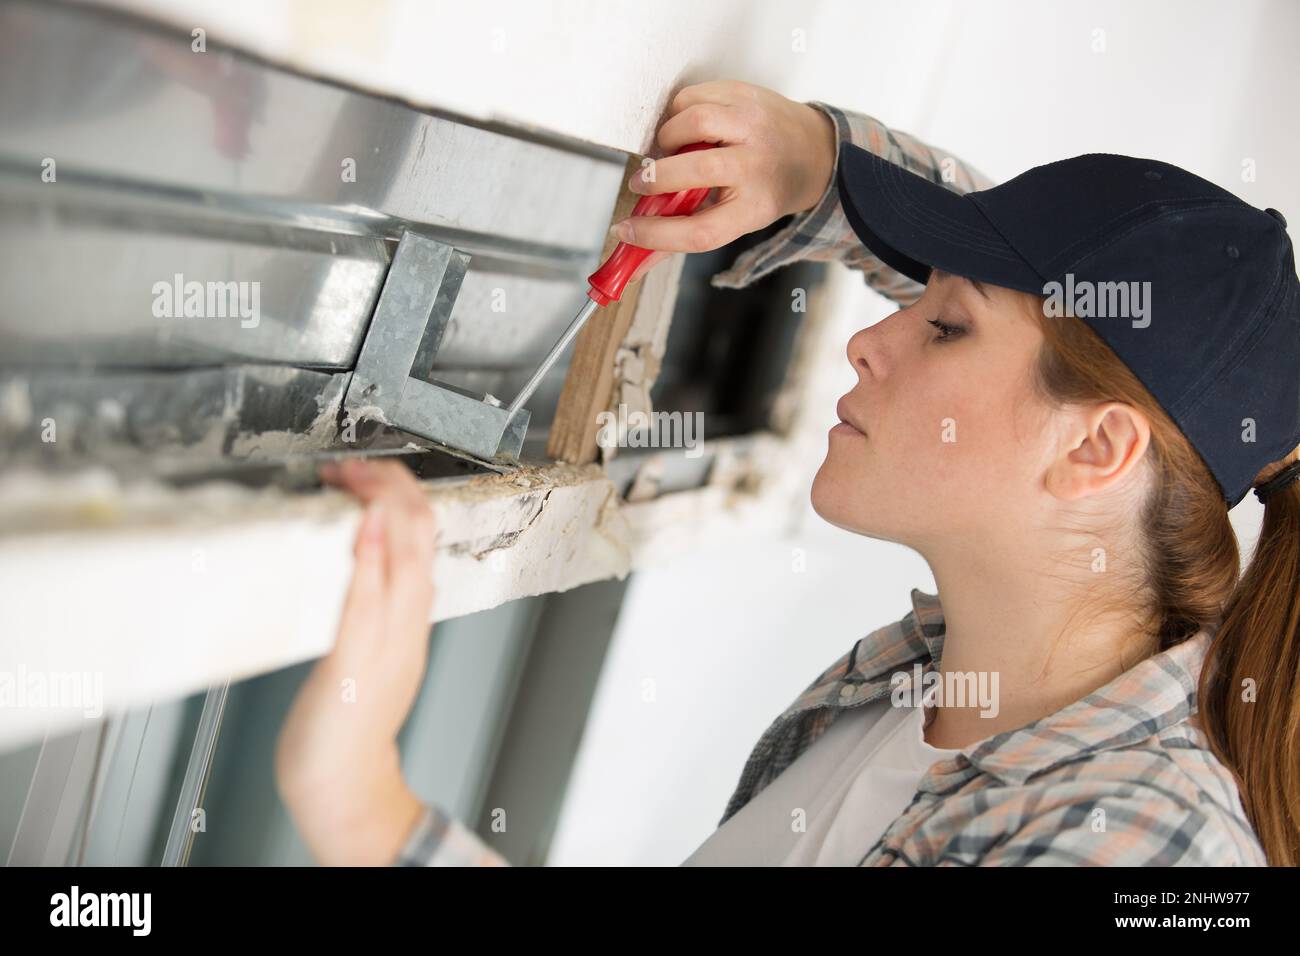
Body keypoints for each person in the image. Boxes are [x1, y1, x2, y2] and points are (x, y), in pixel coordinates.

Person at [275, 81, 1300, 867]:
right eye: (919, 297)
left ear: (1093, 451)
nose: (867, 343)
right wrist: (815, 168)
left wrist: (370, 811)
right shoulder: (928, 690)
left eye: (941, 325)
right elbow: (1054, 312)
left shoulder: (1134, 840)